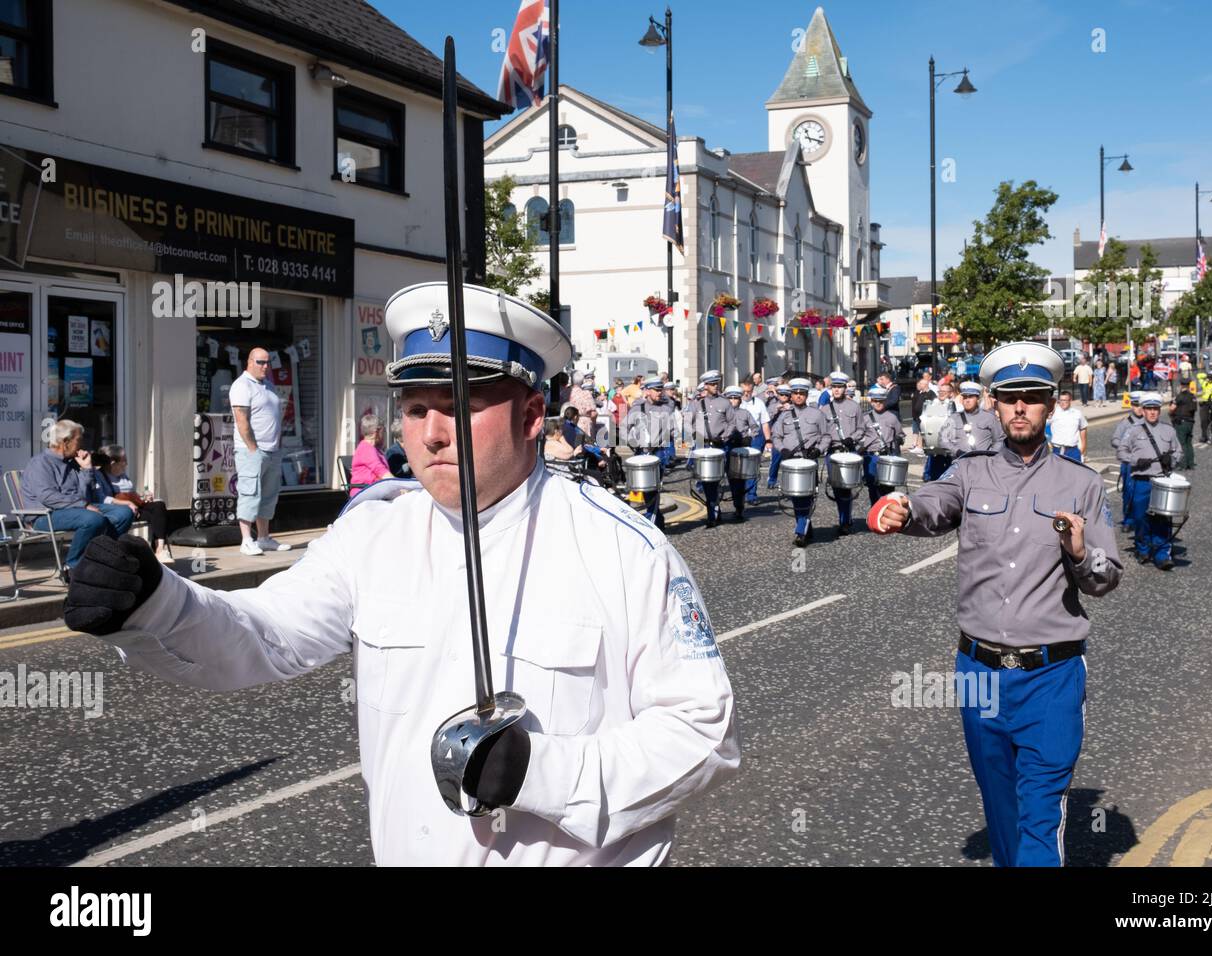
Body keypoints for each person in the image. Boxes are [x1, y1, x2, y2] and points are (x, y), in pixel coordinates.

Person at [61, 281, 739, 866]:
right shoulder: (374, 531)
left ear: (532, 416)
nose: (432, 433)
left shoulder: (621, 548)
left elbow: (702, 732)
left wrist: (546, 773)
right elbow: (262, 636)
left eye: (462, 406)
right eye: (416, 409)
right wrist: (155, 601)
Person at [866, 341, 1121, 867]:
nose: (1020, 407)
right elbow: (935, 504)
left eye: (1032, 397)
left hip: (1051, 673)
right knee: (1001, 810)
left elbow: (1106, 577)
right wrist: (902, 506)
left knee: (1039, 815)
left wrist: (1079, 552)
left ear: (1052, 404)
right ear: (995, 404)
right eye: (1009, 398)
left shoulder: (1082, 485)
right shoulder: (969, 471)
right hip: (978, 674)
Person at [21, 420, 134, 578]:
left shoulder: (72, 463)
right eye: (79, 440)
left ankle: (98, 558)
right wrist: (83, 504)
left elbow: (85, 495)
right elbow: (48, 497)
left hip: (76, 510)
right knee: (92, 519)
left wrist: (87, 469)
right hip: (44, 515)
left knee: (124, 514)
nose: (83, 444)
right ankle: (73, 566)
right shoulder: (40, 463)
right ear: (65, 442)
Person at [229, 347, 290, 556]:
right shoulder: (242, 385)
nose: (265, 366)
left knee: (268, 496)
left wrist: (278, 443)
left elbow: (275, 417)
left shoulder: (269, 386)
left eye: (267, 362)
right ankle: (246, 540)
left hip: (273, 450)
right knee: (249, 493)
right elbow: (241, 419)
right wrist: (253, 448)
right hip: (252, 451)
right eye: (260, 362)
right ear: (249, 362)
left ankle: (263, 537)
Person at [1118, 395, 1182, 569]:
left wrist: (1172, 460)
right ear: (1144, 411)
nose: (1152, 412)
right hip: (1141, 481)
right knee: (1140, 518)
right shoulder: (1133, 430)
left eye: (1155, 409)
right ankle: (1143, 548)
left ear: (1159, 411)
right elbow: (1121, 452)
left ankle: (1162, 554)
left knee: (1163, 519)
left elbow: (1178, 452)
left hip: (1162, 481)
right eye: (1149, 409)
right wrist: (1135, 461)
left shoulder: (1169, 430)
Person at [89, 444, 173, 563]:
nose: (126, 464)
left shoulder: (122, 476)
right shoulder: (99, 476)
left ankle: (160, 549)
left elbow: (131, 494)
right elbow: (101, 499)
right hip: (117, 512)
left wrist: (143, 495)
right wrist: (127, 503)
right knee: (158, 518)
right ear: (113, 462)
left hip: (134, 509)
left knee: (159, 507)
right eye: (124, 461)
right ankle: (157, 553)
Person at [771, 378, 829, 547]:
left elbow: (826, 436)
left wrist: (818, 450)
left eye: (801, 393)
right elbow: (776, 436)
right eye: (795, 393)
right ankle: (804, 526)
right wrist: (782, 449)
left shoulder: (817, 414)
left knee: (808, 496)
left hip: (808, 460)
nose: (798, 396)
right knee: (796, 497)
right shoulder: (784, 416)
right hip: (791, 460)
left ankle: (800, 531)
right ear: (791, 395)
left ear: (806, 395)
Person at [685, 370, 735, 528]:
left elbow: (732, 423)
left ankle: (715, 509)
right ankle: (712, 513)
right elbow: (686, 422)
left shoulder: (724, 402)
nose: (715, 386)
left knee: (717, 479)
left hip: (719, 445)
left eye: (716, 383)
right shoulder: (697, 404)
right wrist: (694, 433)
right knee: (707, 481)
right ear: (705, 386)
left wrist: (724, 436)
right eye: (712, 384)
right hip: (703, 445)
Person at [625, 378, 677, 530]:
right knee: (647, 490)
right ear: (647, 391)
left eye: (661, 389)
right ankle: (656, 521)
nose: (660, 392)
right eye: (656, 389)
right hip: (642, 453)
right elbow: (625, 429)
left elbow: (673, 430)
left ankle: (652, 524)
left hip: (659, 452)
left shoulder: (665, 409)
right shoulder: (637, 408)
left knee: (654, 489)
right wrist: (634, 442)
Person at [821, 371, 866, 535]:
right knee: (836, 487)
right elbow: (822, 431)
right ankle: (844, 517)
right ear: (831, 388)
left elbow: (862, 428)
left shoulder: (854, 406)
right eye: (834, 387)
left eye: (840, 387)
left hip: (848, 450)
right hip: (832, 452)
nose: (837, 390)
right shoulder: (825, 409)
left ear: (845, 388)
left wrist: (852, 438)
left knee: (846, 487)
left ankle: (845, 520)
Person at [860, 384, 903, 505]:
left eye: (881, 401)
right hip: (870, 455)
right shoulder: (865, 418)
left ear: (885, 401)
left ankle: (885, 511)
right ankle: (875, 510)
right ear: (871, 402)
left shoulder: (892, 417)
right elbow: (859, 435)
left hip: (886, 456)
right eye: (875, 401)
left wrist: (899, 439)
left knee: (887, 487)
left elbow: (901, 434)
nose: (878, 404)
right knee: (872, 486)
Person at [940, 382, 1004, 459]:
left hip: (983, 463)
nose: (967, 400)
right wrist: (957, 451)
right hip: (960, 462)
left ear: (977, 399)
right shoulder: (953, 418)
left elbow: (999, 439)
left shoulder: (989, 417)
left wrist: (991, 455)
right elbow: (943, 440)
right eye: (965, 397)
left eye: (970, 397)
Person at [723, 385, 758, 523]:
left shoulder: (745, 413)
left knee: (740, 479)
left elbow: (755, 427)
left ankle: (739, 507)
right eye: (730, 398)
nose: (733, 401)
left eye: (736, 398)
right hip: (727, 445)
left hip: (741, 446)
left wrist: (749, 436)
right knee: (730, 478)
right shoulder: (723, 413)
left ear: (740, 400)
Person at [1111, 393, 1144, 531]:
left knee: (1143, 494)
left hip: (1145, 464)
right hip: (1129, 463)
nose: (1139, 409)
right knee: (1128, 493)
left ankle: (1142, 520)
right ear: (1132, 406)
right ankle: (1128, 520)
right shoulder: (1125, 423)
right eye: (1136, 405)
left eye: (1141, 406)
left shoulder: (1149, 422)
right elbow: (1115, 440)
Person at [738, 380, 771, 505]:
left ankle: (751, 495)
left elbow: (765, 422)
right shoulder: (735, 402)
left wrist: (768, 440)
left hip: (756, 437)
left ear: (753, 391)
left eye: (749, 391)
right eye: (744, 392)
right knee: (739, 467)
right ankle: (740, 492)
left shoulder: (759, 403)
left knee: (752, 466)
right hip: (740, 437)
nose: (746, 394)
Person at [349, 414, 394, 497]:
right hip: (364, 493)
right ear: (376, 432)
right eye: (383, 431)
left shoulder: (374, 449)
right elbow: (381, 471)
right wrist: (398, 487)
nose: (384, 434)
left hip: (373, 491)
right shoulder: (366, 448)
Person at [921, 381, 957, 480]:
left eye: (944, 391)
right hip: (935, 444)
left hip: (950, 445)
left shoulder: (955, 405)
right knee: (935, 472)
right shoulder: (932, 405)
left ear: (950, 393)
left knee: (950, 472)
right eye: (940, 391)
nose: (941, 393)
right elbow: (926, 421)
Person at [1046, 390, 1087, 462]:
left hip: (1073, 450)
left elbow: (1083, 427)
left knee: (1075, 472)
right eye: (1061, 400)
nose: (1062, 402)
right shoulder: (1054, 412)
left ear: (1070, 400)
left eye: (1065, 400)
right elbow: (1043, 425)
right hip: (1057, 450)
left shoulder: (1077, 413)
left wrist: (1083, 445)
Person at [766, 384, 793, 489]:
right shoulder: (773, 406)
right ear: (778, 395)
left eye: (787, 394)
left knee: (789, 461)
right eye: (782, 394)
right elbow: (766, 419)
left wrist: (790, 409)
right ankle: (772, 480)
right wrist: (776, 410)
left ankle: (789, 482)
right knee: (775, 460)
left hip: (789, 437)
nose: (784, 397)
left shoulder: (793, 405)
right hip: (777, 437)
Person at [1169, 381, 1197, 470]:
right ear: (1188, 386)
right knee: (1189, 443)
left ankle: (1183, 464)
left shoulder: (1180, 396)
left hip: (1181, 422)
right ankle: (1191, 464)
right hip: (1190, 422)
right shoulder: (1193, 397)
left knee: (1182, 444)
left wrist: (1170, 413)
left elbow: (1172, 408)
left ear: (1181, 385)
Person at [908, 372, 937, 454]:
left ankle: (922, 447)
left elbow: (933, 405)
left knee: (923, 432)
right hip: (917, 416)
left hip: (925, 417)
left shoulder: (931, 393)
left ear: (925, 385)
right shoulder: (920, 393)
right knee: (919, 431)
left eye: (921, 383)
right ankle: (919, 446)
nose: (919, 385)